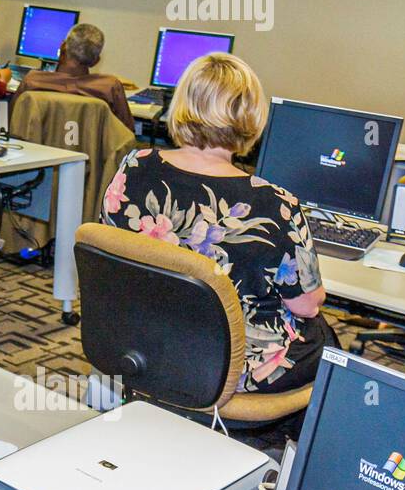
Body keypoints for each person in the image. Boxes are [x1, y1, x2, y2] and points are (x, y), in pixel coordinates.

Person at [101, 53, 334, 393]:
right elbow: (307, 304)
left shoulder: (134, 168)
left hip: (141, 343)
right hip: (227, 367)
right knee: (325, 338)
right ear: (251, 116)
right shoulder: (275, 203)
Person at [17, 23, 134, 131]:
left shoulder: (32, 81)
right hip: (90, 153)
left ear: (62, 47)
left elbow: (11, 122)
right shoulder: (110, 87)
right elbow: (126, 134)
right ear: (96, 61)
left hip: (39, 152)